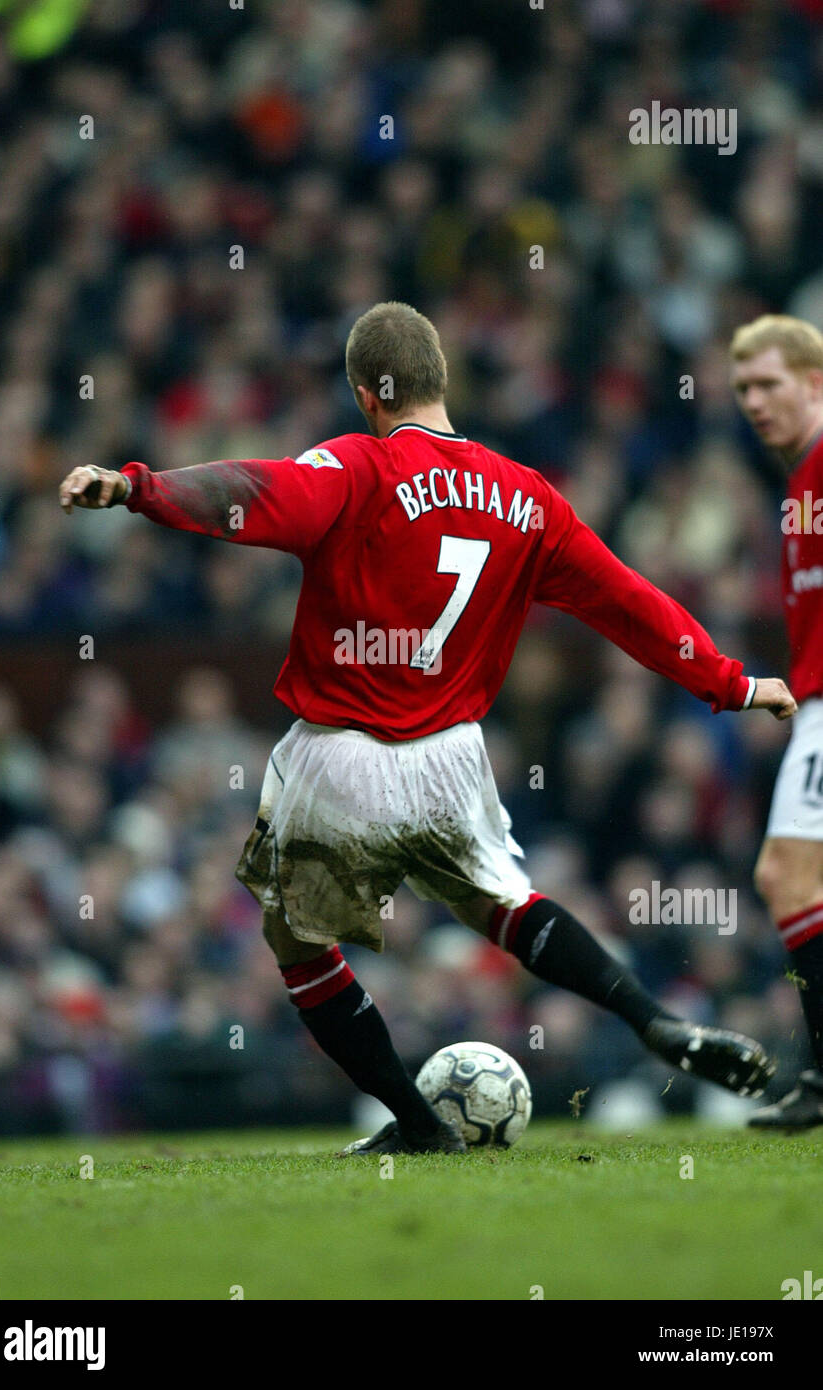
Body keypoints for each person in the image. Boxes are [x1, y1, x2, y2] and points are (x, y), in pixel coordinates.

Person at [60, 301, 795, 1154]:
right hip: (453, 755)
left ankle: (416, 1124)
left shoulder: (355, 468)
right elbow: (631, 602)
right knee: (504, 905)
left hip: (341, 752)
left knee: (296, 942)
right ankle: (652, 1016)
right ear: (439, 380)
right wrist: (731, 681)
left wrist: (136, 487)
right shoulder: (527, 498)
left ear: (368, 394)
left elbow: (250, 493)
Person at [730, 314, 823, 1129]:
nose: (753, 402)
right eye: (742, 391)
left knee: (785, 876)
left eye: (768, 384)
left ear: (814, 382)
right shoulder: (797, 485)